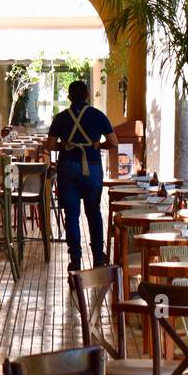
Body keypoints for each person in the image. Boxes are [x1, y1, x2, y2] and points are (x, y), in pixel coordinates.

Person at [46, 80, 117, 272]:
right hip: (92, 167)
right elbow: (113, 142)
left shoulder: (61, 118)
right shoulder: (97, 115)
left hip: (68, 168)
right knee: (93, 212)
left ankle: (75, 258)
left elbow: (50, 145)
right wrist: (98, 145)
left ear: (69, 97)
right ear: (87, 96)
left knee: (71, 214)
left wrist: (65, 146)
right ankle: (98, 257)